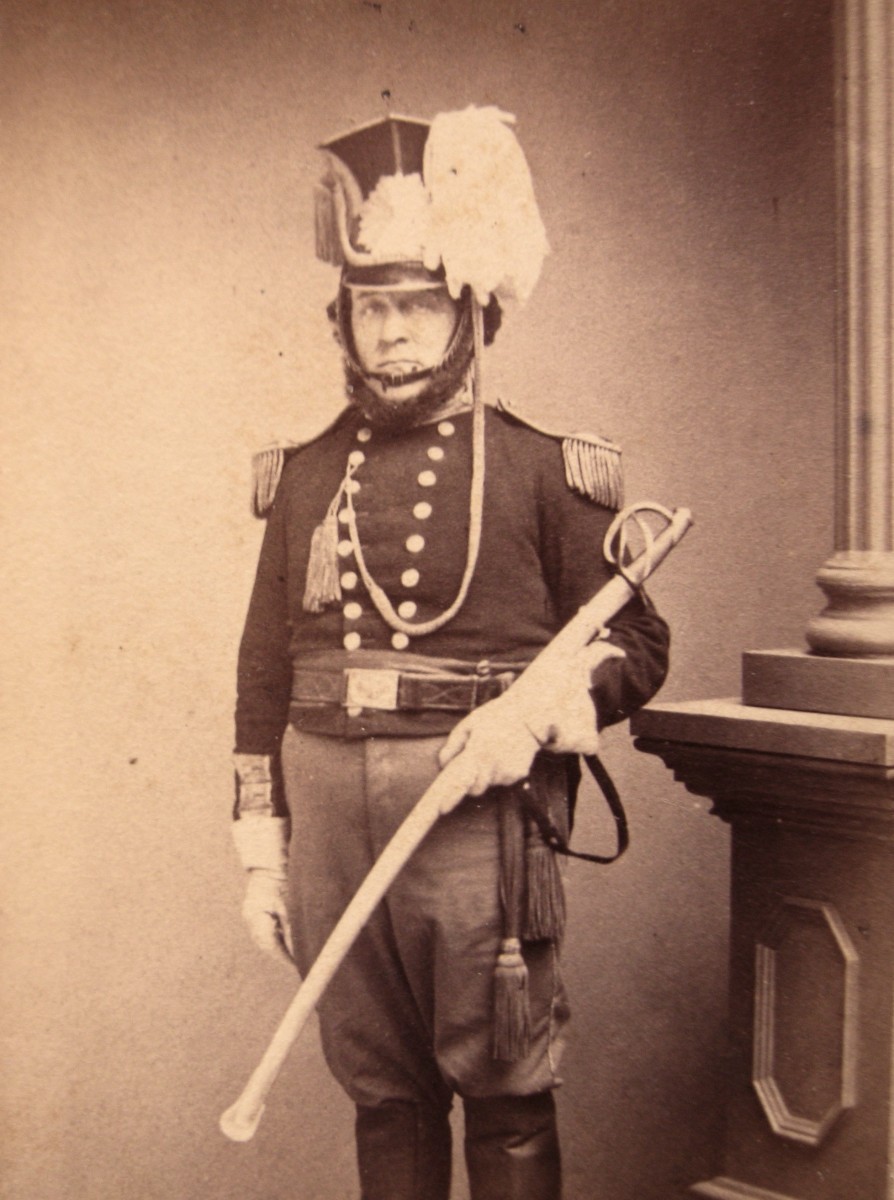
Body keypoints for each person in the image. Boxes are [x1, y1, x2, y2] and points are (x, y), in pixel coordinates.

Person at [230, 106, 669, 1200]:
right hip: (329, 820)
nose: (394, 334)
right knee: (383, 1088)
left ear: (470, 313)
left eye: (419, 305)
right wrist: (262, 851)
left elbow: (637, 641)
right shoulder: (303, 475)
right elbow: (261, 677)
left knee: (504, 1081)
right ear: (343, 322)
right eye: (372, 308)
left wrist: (542, 719)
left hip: (477, 814)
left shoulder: (542, 470)